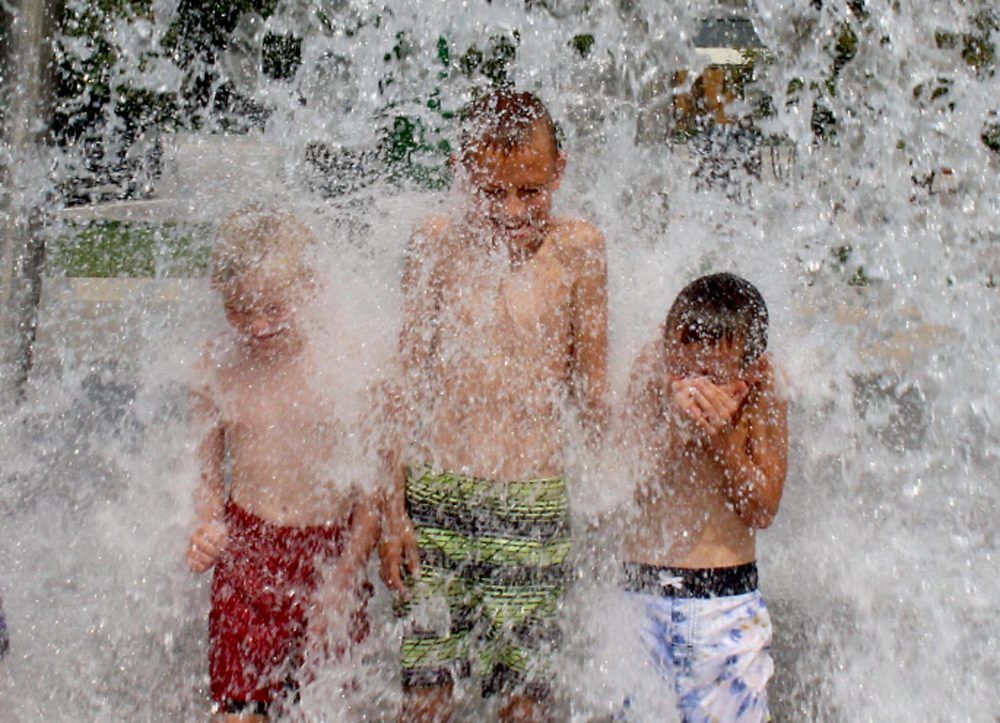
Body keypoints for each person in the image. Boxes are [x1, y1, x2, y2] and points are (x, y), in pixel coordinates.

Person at [379, 89, 609, 722]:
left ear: (559, 172)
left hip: (532, 500)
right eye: (492, 193)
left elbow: (592, 393)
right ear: (462, 172)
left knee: (524, 700)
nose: (511, 212)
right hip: (437, 499)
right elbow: (403, 385)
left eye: (530, 192)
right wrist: (392, 511)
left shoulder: (580, 250)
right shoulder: (434, 244)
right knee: (427, 692)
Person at [186, 208, 379, 721]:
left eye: (273, 306)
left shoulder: (343, 362)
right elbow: (206, 474)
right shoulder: (214, 366)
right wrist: (207, 523)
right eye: (239, 309)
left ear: (311, 286)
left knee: (319, 707)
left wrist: (345, 576)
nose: (257, 325)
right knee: (237, 711)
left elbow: (372, 492)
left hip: (328, 555)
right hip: (247, 556)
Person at [618, 272, 787, 722]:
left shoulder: (766, 391)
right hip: (642, 596)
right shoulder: (650, 373)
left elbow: (763, 508)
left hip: (725, 606)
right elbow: (622, 486)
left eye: (712, 374)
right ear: (665, 342)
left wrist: (723, 442)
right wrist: (674, 430)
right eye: (683, 368)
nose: (694, 385)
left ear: (752, 368)